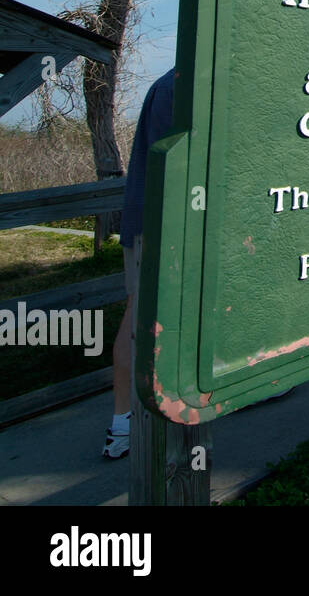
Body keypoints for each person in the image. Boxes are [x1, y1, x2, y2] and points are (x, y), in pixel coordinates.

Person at [104, 68, 175, 460]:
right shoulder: (179, 84)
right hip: (156, 223)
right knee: (139, 316)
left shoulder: (173, 81)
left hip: (159, 220)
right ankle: (124, 422)